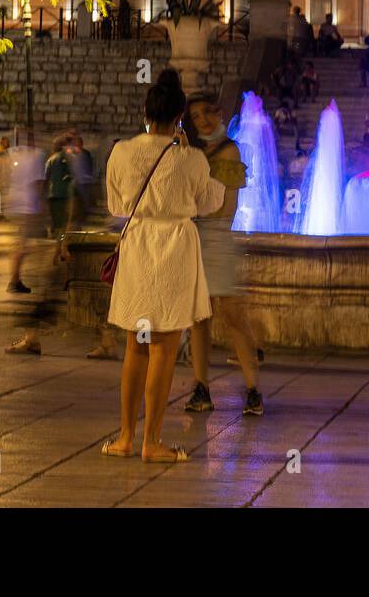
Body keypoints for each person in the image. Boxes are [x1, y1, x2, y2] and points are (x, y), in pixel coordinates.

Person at [101, 69, 224, 463]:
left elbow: (117, 206)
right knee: (165, 349)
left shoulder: (121, 151)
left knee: (135, 347)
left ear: (146, 112)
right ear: (179, 117)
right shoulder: (191, 158)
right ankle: (152, 441)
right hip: (173, 250)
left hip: (138, 246)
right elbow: (210, 203)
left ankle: (124, 437)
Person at [183, 93, 264, 416]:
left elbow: (224, 207)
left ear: (219, 114)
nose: (203, 120)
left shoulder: (229, 150)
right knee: (199, 319)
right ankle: (201, 387)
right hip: (193, 237)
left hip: (216, 236)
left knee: (233, 316)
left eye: (208, 113)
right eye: (196, 116)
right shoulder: (189, 151)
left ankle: (253, 389)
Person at [4, 135, 46, 295]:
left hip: (13, 203)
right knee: (22, 246)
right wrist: (40, 204)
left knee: (19, 244)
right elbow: (37, 182)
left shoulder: (12, 154)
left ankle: (16, 279)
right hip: (27, 206)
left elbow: (6, 177)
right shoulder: (37, 156)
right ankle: (14, 280)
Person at [44, 134, 74, 237]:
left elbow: (46, 177)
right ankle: (62, 246)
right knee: (64, 223)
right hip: (64, 194)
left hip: (52, 194)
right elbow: (70, 175)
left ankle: (58, 246)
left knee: (57, 222)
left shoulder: (50, 159)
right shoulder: (66, 158)